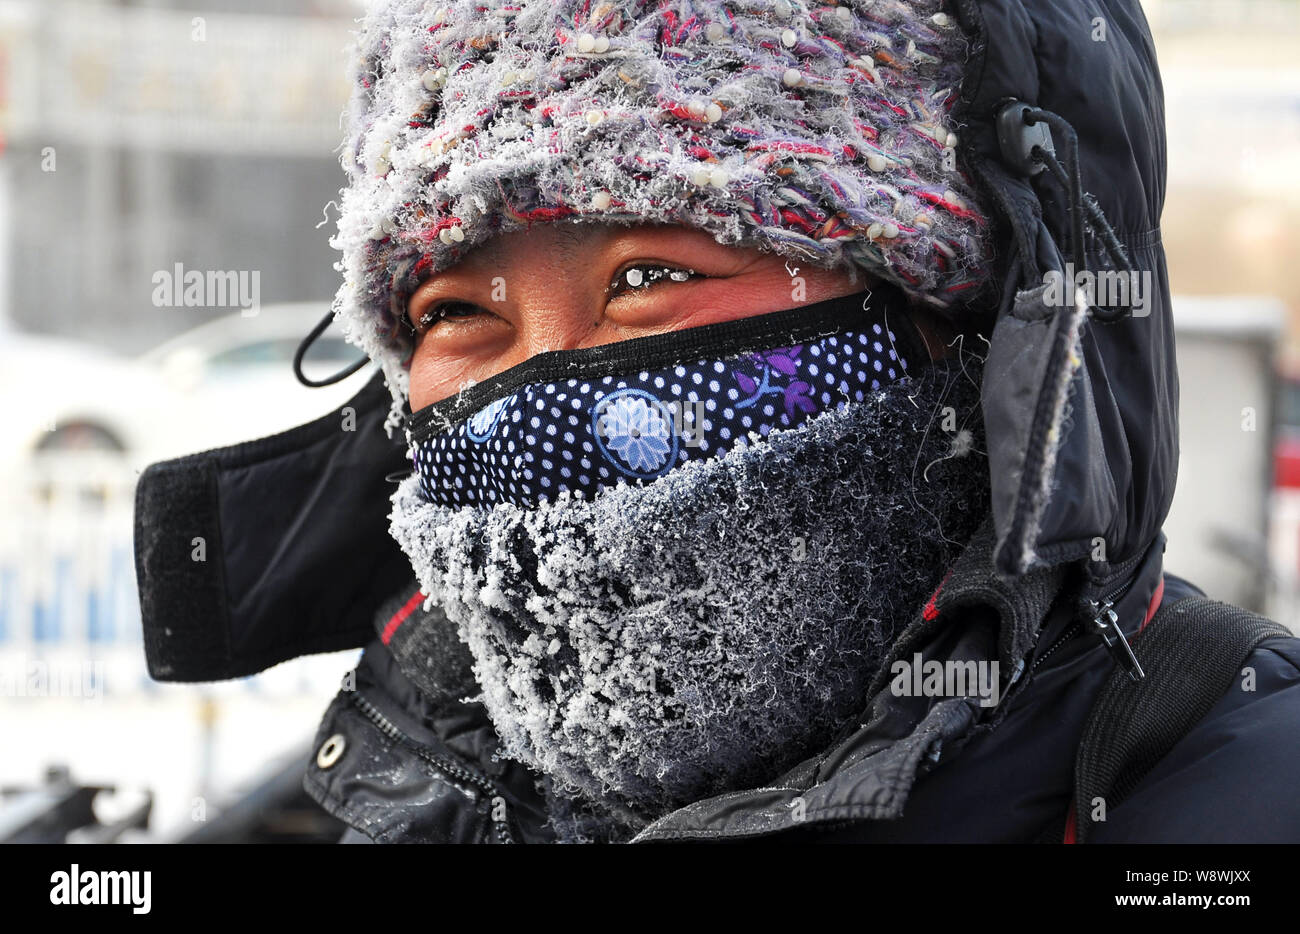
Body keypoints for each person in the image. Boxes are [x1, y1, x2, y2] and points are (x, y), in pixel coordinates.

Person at [133, 0, 1300, 844]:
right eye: (455, 312)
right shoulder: (404, 797)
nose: (546, 392)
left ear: (967, 322)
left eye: (648, 277)